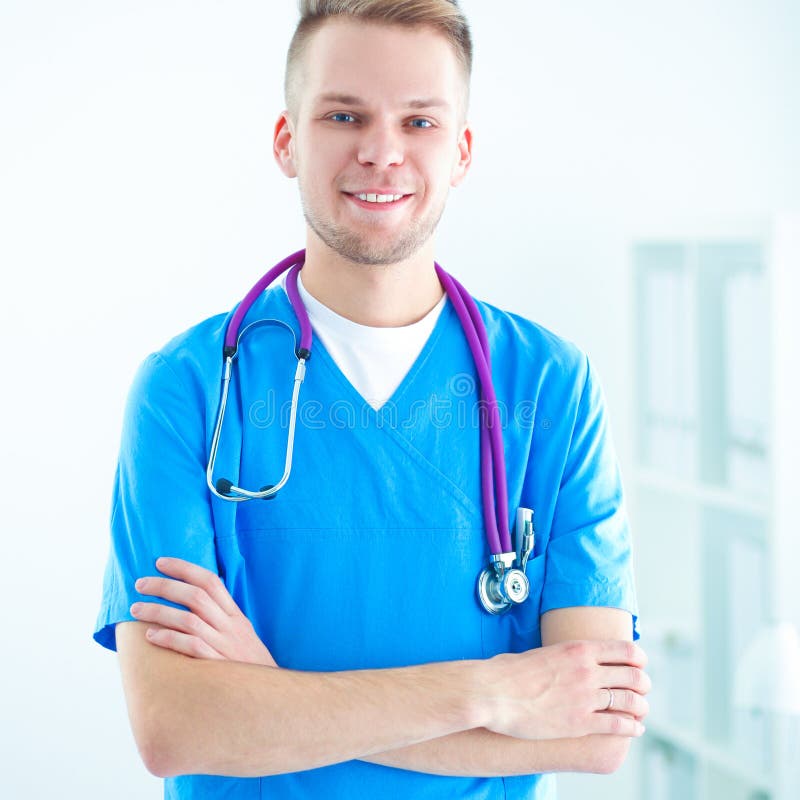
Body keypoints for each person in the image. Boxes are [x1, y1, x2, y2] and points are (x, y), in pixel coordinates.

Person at [92, 1, 650, 798]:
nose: (381, 152)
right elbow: (177, 727)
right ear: (288, 140)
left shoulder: (550, 388)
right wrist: (490, 693)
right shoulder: (187, 390)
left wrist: (272, 693)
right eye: (344, 114)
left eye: (419, 122)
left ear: (461, 151)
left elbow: (593, 733)